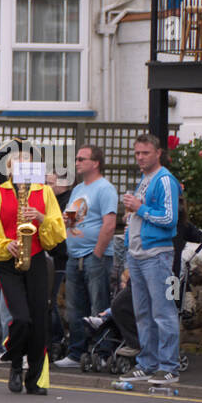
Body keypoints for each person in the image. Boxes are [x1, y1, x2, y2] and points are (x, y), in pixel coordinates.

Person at [0, 152, 66, 395]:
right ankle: (16, 364)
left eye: (29, 165)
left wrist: (40, 217)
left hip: (37, 258)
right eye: (19, 165)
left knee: (40, 321)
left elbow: (57, 234)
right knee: (21, 318)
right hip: (9, 261)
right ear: (10, 169)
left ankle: (35, 379)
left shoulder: (45, 192)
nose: (24, 169)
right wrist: (4, 244)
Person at [121, 133, 181, 385]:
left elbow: (169, 218)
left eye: (145, 153)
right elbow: (144, 215)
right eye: (137, 153)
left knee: (163, 312)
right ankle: (148, 363)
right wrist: (131, 218)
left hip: (157, 256)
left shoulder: (164, 180)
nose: (140, 157)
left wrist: (139, 209)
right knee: (143, 313)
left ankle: (169, 367)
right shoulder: (145, 179)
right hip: (138, 254)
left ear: (158, 153)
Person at [55, 144, 118, 368]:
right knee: (75, 308)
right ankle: (76, 353)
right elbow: (70, 220)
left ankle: (101, 353)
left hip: (94, 257)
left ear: (96, 163)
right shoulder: (78, 189)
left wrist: (97, 254)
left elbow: (109, 224)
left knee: (98, 307)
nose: (77, 162)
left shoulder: (105, 188)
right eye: (77, 159)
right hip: (75, 256)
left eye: (82, 159)